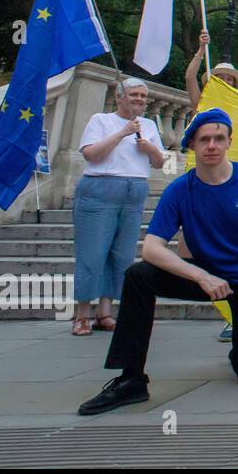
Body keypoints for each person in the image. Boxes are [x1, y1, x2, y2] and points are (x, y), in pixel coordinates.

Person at [77, 109, 238, 415]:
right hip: (208, 274)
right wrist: (199, 276)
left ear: (229, 142)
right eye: (204, 139)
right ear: (192, 145)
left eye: (219, 139)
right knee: (139, 275)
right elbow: (152, 249)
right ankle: (131, 379)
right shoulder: (180, 189)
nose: (212, 145)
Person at [71, 78, 167, 336]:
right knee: (92, 254)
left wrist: (149, 148)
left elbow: (159, 162)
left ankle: (105, 311)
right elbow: (91, 154)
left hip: (134, 191)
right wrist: (122, 133)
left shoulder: (148, 125)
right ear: (119, 97)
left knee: (122, 255)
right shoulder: (101, 120)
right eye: (134, 95)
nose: (139, 100)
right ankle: (82, 314)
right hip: (100, 188)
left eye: (142, 96)